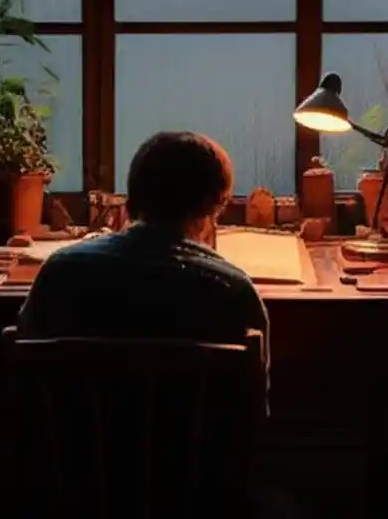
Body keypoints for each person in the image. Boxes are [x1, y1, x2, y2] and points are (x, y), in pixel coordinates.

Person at [17, 130, 270, 404]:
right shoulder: (234, 292)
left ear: (130, 201)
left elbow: (26, 391)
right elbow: (254, 410)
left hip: (77, 445)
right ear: (212, 210)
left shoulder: (60, 273)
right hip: (190, 446)